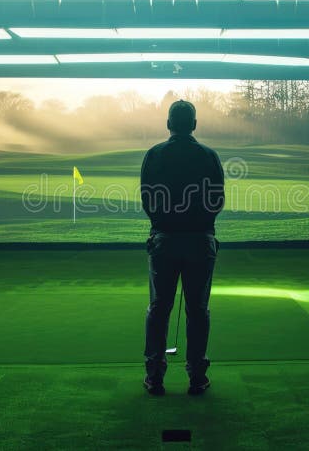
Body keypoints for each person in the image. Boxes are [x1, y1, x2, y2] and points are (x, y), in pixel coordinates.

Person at [140, 100, 225, 396]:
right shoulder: (209, 156)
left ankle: (155, 377)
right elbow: (217, 201)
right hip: (201, 242)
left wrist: (163, 224)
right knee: (198, 311)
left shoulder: (154, 155)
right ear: (194, 125)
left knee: (158, 309)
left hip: (164, 240)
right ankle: (197, 378)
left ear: (168, 124)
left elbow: (148, 200)